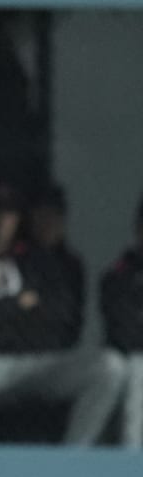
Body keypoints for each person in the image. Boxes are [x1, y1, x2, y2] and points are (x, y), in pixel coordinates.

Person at [0, 181, 125, 445]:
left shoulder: (48, 261)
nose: (1, 221)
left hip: (39, 366)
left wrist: (11, 313)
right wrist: (19, 308)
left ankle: (72, 461)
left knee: (110, 367)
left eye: (9, 214)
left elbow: (60, 320)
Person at [100, 193, 143, 451]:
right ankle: (133, 464)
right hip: (131, 368)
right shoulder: (119, 275)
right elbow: (123, 333)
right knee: (140, 367)